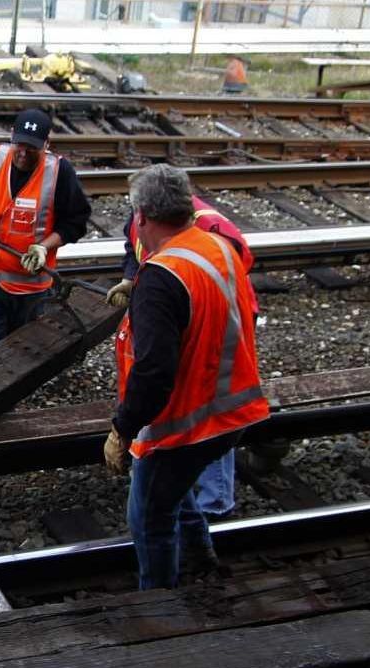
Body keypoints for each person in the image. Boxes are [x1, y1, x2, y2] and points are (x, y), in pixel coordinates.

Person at [102, 164, 270, 590]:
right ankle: (201, 558)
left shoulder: (161, 278)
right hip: (232, 411)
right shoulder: (216, 246)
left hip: (185, 426)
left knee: (150, 518)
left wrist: (122, 429)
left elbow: (153, 372)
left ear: (141, 216)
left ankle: (161, 607)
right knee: (175, 490)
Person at [106, 195, 260, 520]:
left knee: (212, 408)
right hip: (187, 308)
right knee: (192, 406)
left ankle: (215, 501)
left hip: (218, 314)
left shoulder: (204, 225)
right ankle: (189, 498)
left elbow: (233, 263)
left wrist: (124, 428)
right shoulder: (142, 214)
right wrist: (132, 279)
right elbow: (133, 248)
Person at [0, 109, 91, 355]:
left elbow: (76, 221)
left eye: (32, 148)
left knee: (25, 356)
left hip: (30, 284)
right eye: (19, 144)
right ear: (11, 135)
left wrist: (44, 247)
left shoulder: (59, 172)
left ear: (46, 144)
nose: (23, 153)